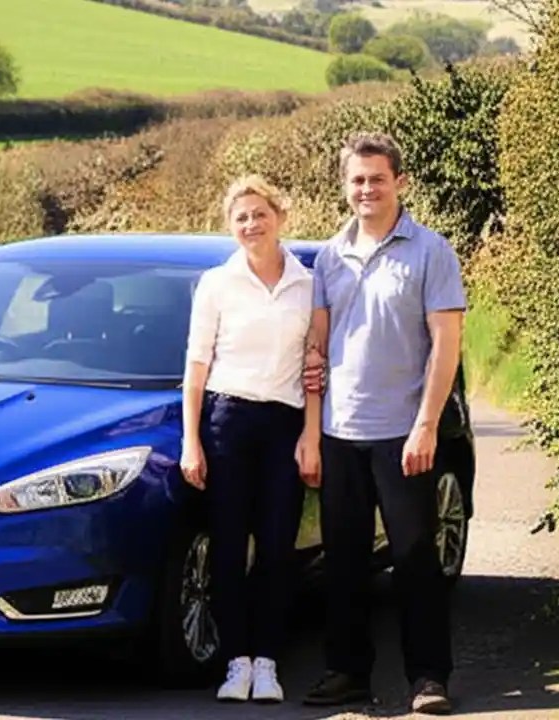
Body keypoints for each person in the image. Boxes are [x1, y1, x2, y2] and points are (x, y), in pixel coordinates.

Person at [300, 133, 467, 715]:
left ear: (399, 181)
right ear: (344, 187)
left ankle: (428, 679)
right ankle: (347, 673)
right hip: (341, 433)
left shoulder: (431, 252)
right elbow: (316, 352)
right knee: (343, 562)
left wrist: (427, 424)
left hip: (403, 432)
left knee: (416, 558)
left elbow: (447, 344)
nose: (366, 189)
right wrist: (313, 433)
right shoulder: (327, 256)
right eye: (357, 180)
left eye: (376, 178)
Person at [180, 175, 322, 703]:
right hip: (227, 421)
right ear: (230, 226)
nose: (250, 224)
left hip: (283, 422)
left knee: (278, 546)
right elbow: (196, 365)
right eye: (240, 217)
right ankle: (235, 662)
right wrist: (190, 440)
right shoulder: (216, 284)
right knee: (229, 545)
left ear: (279, 216)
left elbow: (315, 368)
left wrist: (311, 435)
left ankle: (268, 663)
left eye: (259, 214)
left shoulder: (307, 285)